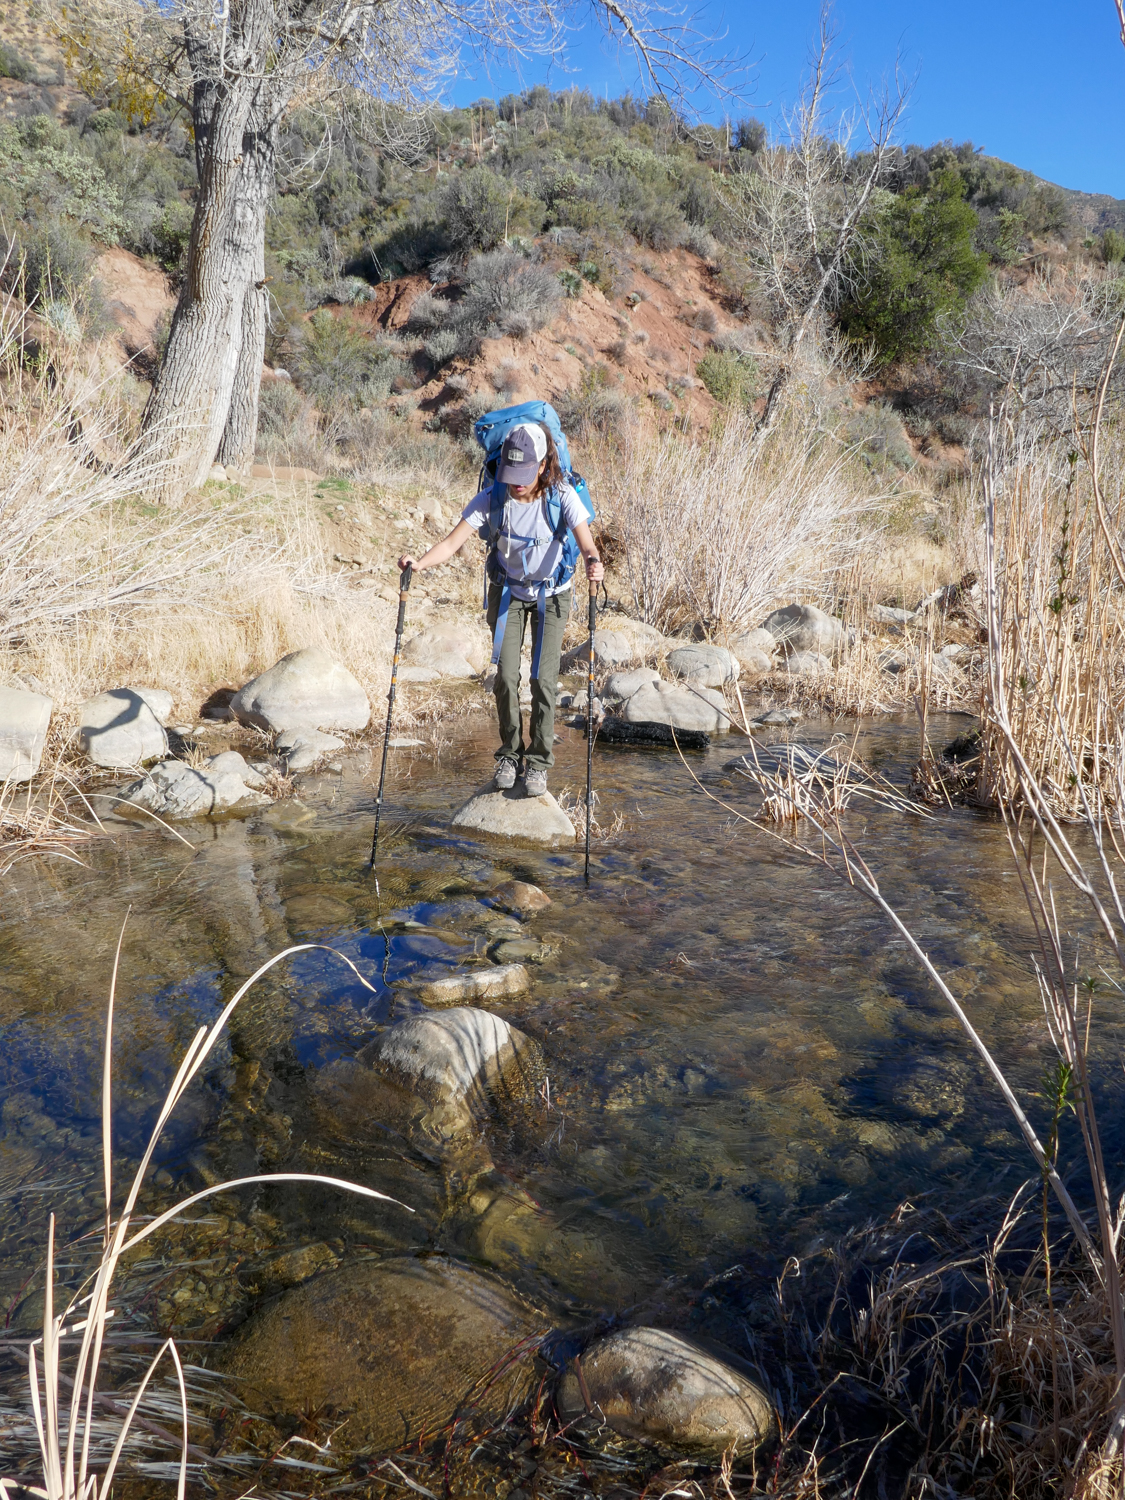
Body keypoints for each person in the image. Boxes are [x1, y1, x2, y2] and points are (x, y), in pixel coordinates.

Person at [399, 421, 603, 797]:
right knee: (506, 677)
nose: (517, 482)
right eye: (512, 473)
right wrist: (420, 564)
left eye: (525, 473)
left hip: (552, 595)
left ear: (543, 465)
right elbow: (449, 544)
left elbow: (587, 544)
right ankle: (510, 754)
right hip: (508, 594)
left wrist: (593, 561)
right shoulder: (493, 498)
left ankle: (539, 762)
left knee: (543, 680)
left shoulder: (562, 496)